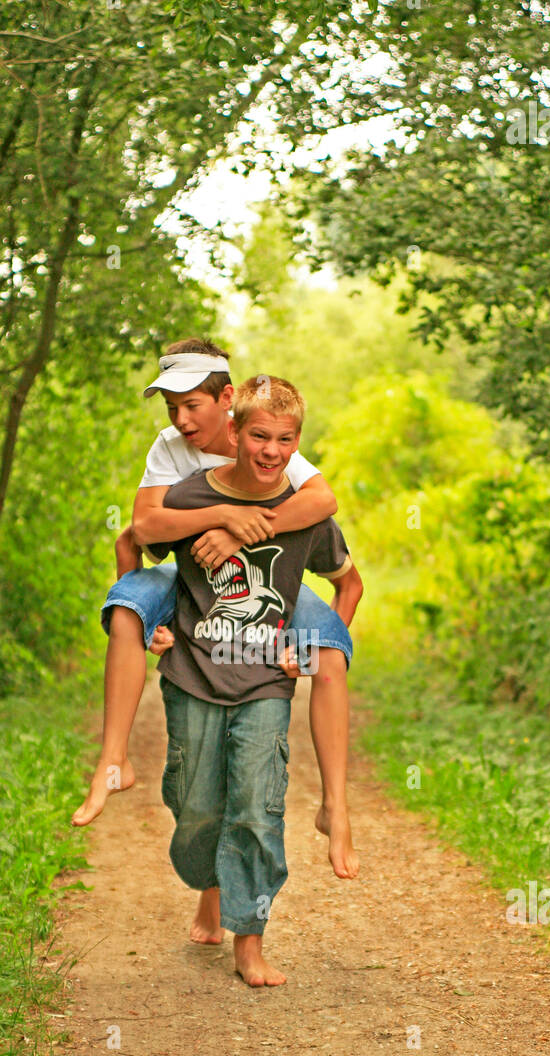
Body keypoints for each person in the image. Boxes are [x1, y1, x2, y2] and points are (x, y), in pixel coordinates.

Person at [72, 337, 361, 882]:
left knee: (331, 655)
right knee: (128, 608)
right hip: (187, 571)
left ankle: (336, 806)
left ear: (226, 400)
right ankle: (114, 758)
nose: (181, 419)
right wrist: (223, 519)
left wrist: (254, 530)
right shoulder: (168, 446)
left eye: (192, 405)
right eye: (171, 407)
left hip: (272, 577)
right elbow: (145, 528)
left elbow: (323, 502)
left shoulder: (261, 436)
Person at [144, 375, 363, 984]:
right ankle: (209, 886)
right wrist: (149, 628)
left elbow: (349, 585)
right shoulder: (188, 498)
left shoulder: (305, 511)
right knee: (196, 807)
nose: (271, 451)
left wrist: (314, 645)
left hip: (266, 682)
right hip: (192, 674)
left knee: (257, 808)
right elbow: (137, 546)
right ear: (234, 433)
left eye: (285, 439)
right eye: (259, 436)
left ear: (298, 442)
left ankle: (250, 938)